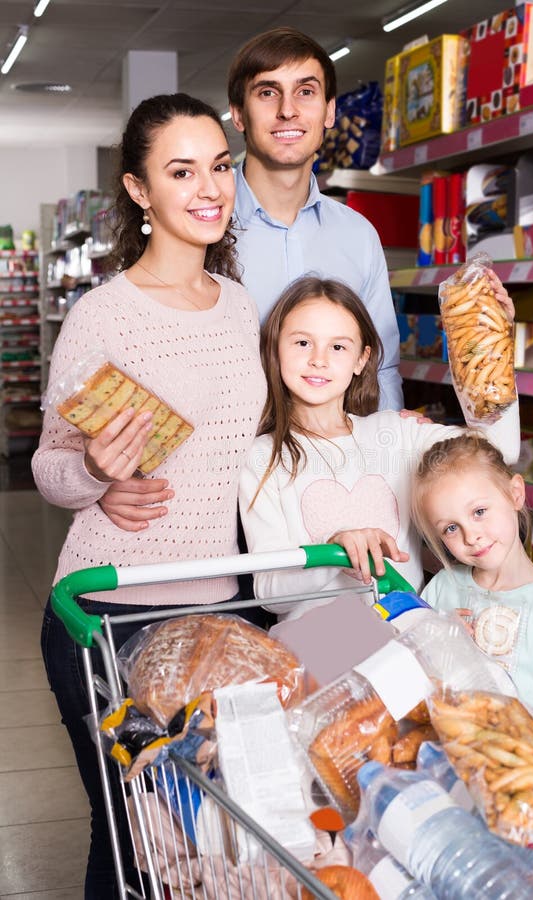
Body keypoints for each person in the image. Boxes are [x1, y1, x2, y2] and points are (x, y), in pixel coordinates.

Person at [32, 93, 266, 898]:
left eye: (221, 167)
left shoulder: (238, 303)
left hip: (221, 617)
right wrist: (96, 475)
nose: (209, 188)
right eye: (181, 171)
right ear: (139, 191)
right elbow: (49, 468)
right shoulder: (103, 316)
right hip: (106, 619)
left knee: (212, 840)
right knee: (135, 833)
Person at [238, 275, 520, 618]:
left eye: (338, 347)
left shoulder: (396, 433)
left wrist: (495, 343)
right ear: (274, 349)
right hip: (319, 655)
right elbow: (270, 594)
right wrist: (335, 551)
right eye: (302, 343)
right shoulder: (260, 456)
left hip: (406, 642)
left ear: (361, 359)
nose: (319, 360)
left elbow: (499, 451)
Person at [227, 26, 404, 410]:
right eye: (267, 92)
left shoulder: (357, 235)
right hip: (230, 463)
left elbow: (382, 366)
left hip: (338, 464)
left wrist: (386, 450)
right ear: (238, 115)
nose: (287, 110)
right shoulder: (205, 229)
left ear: (330, 111)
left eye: (305, 92)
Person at [411, 432, 533, 762]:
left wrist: (529, 765)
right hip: (441, 764)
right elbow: (410, 671)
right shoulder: (444, 587)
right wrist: (437, 637)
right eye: (450, 528)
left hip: (511, 778)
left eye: (479, 511)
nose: (471, 536)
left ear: (515, 493)